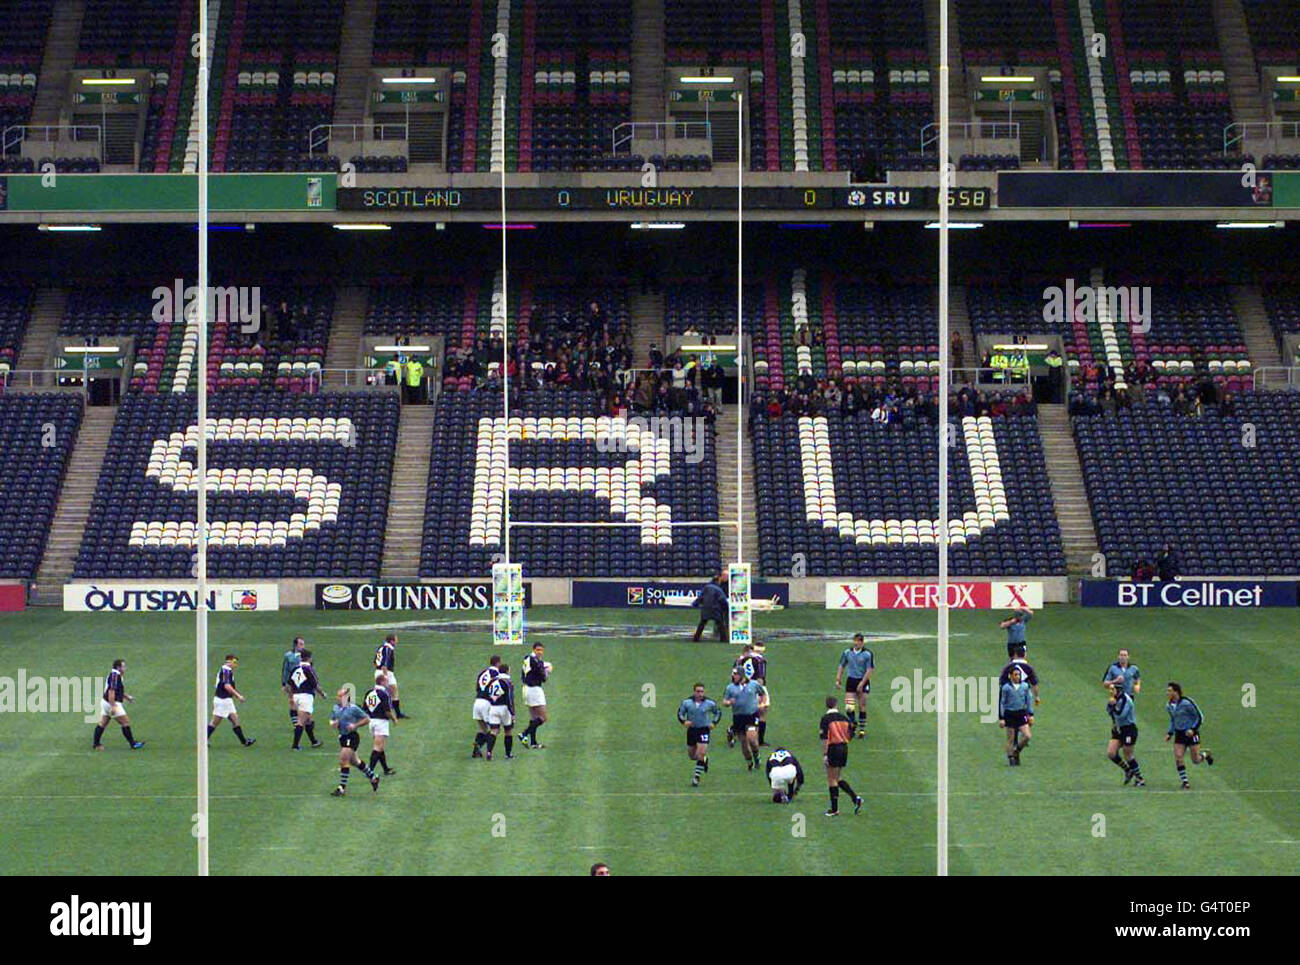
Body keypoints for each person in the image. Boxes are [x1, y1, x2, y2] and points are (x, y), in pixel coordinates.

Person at [328, 688, 380, 796]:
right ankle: (373, 777)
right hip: (342, 736)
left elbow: (367, 719)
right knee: (354, 761)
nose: (338, 698)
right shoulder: (336, 707)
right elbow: (332, 719)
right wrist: (333, 723)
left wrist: (355, 725)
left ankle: (341, 788)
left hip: (352, 737)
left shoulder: (353, 708)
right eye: (338, 696)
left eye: (340, 696)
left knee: (343, 760)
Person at [819, 697, 862, 816]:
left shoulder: (826, 719)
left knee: (831, 779)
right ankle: (855, 798)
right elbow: (851, 733)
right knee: (838, 778)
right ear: (836, 705)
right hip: (844, 748)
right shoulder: (844, 718)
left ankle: (834, 809)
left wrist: (825, 754)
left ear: (827, 705)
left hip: (833, 748)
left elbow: (824, 738)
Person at [1165, 682, 1213, 788]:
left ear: (1176, 692)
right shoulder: (1169, 706)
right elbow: (1173, 720)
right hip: (1179, 734)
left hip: (1191, 734)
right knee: (1178, 757)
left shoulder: (1187, 703)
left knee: (1195, 760)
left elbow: (1199, 717)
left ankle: (1205, 755)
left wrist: (1193, 729)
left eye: (1169, 691)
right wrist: (1170, 732)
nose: (1167, 693)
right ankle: (1185, 781)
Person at [92, 658, 144, 750]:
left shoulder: (116, 675)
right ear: (118, 667)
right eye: (124, 666)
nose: (125, 668)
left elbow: (116, 690)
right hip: (111, 702)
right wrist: (113, 706)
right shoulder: (115, 676)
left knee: (103, 723)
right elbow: (111, 691)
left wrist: (127, 697)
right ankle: (133, 744)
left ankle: (96, 744)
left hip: (106, 702)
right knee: (125, 721)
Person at [722, 667, 766, 772]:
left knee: (752, 739)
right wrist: (728, 703)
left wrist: (762, 704)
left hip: (751, 715)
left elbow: (762, 694)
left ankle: (757, 757)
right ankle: (749, 762)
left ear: (742, 675)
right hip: (738, 717)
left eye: (736, 674)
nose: (734, 676)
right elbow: (724, 701)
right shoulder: (730, 688)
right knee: (744, 744)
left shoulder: (754, 684)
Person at [677, 683, 721, 786]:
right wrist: (684, 722)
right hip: (692, 731)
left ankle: (696, 777)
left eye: (702, 691)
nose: (700, 694)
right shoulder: (686, 703)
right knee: (692, 756)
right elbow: (680, 713)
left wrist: (714, 723)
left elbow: (718, 712)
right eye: (698, 691)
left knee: (701, 753)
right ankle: (703, 760)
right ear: (694, 692)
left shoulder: (709, 703)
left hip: (704, 730)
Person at [207, 654, 255, 747]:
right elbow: (227, 686)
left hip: (226, 700)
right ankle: (203, 740)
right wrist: (238, 696)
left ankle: (244, 741)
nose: (235, 665)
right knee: (215, 722)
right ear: (229, 662)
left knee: (235, 719)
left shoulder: (225, 670)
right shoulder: (226, 671)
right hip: (223, 700)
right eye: (234, 662)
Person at [834, 633, 874, 739]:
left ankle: (862, 730)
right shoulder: (847, 652)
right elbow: (841, 665)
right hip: (851, 680)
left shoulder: (867, 654)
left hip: (863, 681)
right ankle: (853, 722)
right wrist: (838, 679)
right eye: (856, 641)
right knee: (849, 707)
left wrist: (862, 683)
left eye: (859, 641)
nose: (857, 643)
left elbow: (870, 670)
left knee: (862, 705)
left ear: (862, 642)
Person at [1106, 684, 1144, 787]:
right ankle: (1128, 770)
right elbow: (1108, 711)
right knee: (1111, 753)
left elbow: (1121, 715)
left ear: (1118, 690)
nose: (1110, 691)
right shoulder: (1114, 698)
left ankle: (1140, 778)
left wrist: (1113, 706)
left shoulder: (1125, 699)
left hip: (1128, 729)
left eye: (1112, 689)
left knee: (1127, 754)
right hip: (1118, 729)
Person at [289, 649, 327, 750]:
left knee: (308, 720)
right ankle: (295, 745)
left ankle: (314, 741)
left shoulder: (295, 669)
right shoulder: (308, 669)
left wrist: (291, 697)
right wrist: (322, 694)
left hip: (296, 696)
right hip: (305, 696)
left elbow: (290, 684)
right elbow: (315, 684)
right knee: (301, 721)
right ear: (309, 658)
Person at [735, 643, 770, 745]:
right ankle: (760, 740)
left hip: (743, 689)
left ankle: (734, 730)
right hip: (756, 688)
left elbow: (734, 676)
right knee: (762, 713)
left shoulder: (739, 660)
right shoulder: (759, 660)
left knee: (745, 713)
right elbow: (760, 678)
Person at [998, 666, 1034, 766]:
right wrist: (1001, 718)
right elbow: (1002, 703)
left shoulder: (1025, 686)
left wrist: (1030, 715)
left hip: (1021, 714)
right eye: (1015, 674)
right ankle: (1011, 759)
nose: (1018, 676)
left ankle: (1017, 751)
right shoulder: (1006, 688)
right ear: (1010, 676)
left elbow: (1028, 700)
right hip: (1010, 714)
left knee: (1027, 736)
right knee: (1011, 738)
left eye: (1019, 674)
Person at [364, 672, 397, 776]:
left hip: (372, 721)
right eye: (386, 681)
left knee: (381, 747)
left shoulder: (369, 692)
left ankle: (386, 769)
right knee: (377, 747)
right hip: (381, 722)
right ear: (382, 682)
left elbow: (365, 708)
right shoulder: (383, 694)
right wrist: (394, 719)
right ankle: (369, 771)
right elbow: (388, 711)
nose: (388, 683)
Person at [519, 642, 551, 749]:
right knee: (543, 718)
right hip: (534, 689)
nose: (540, 652)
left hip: (526, 689)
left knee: (534, 718)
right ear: (533, 650)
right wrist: (547, 671)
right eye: (538, 650)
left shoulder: (527, 658)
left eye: (541, 650)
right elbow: (544, 678)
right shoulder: (535, 661)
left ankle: (533, 743)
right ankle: (524, 733)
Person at [471, 655, 502, 758]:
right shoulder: (497, 673)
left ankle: (477, 747)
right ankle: (488, 751)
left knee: (483, 729)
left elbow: (477, 687)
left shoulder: (482, 673)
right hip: (486, 703)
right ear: (498, 663)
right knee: (495, 729)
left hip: (477, 702)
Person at [484, 662, 516, 761]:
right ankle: (508, 754)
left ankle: (489, 752)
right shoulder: (507, 682)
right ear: (507, 671)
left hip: (493, 708)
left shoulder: (492, 681)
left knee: (494, 731)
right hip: (504, 709)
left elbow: (486, 693)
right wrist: (513, 713)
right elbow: (510, 699)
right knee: (508, 731)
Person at [373, 633, 406, 718]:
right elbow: (384, 664)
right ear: (392, 641)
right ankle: (373, 710)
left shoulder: (381, 647)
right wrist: (386, 676)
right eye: (396, 639)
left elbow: (375, 662)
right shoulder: (388, 649)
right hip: (385, 672)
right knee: (382, 693)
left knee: (393, 690)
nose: (397, 641)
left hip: (381, 671)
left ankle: (397, 713)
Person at [691, 574, 728, 642]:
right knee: (720, 624)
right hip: (715, 609)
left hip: (706, 608)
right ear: (718, 581)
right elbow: (722, 599)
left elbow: (701, 597)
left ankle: (696, 638)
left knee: (702, 623)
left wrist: (695, 603)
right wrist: (726, 607)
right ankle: (724, 639)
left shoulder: (706, 587)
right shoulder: (719, 590)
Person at [281, 636, 305, 735]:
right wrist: (283, 683)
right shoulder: (288, 655)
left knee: (303, 702)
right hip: (292, 682)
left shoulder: (305, 655)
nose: (303, 646)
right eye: (301, 644)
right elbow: (285, 669)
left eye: (303, 644)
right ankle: (296, 724)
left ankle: (305, 720)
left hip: (303, 682)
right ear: (295, 645)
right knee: (292, 702)